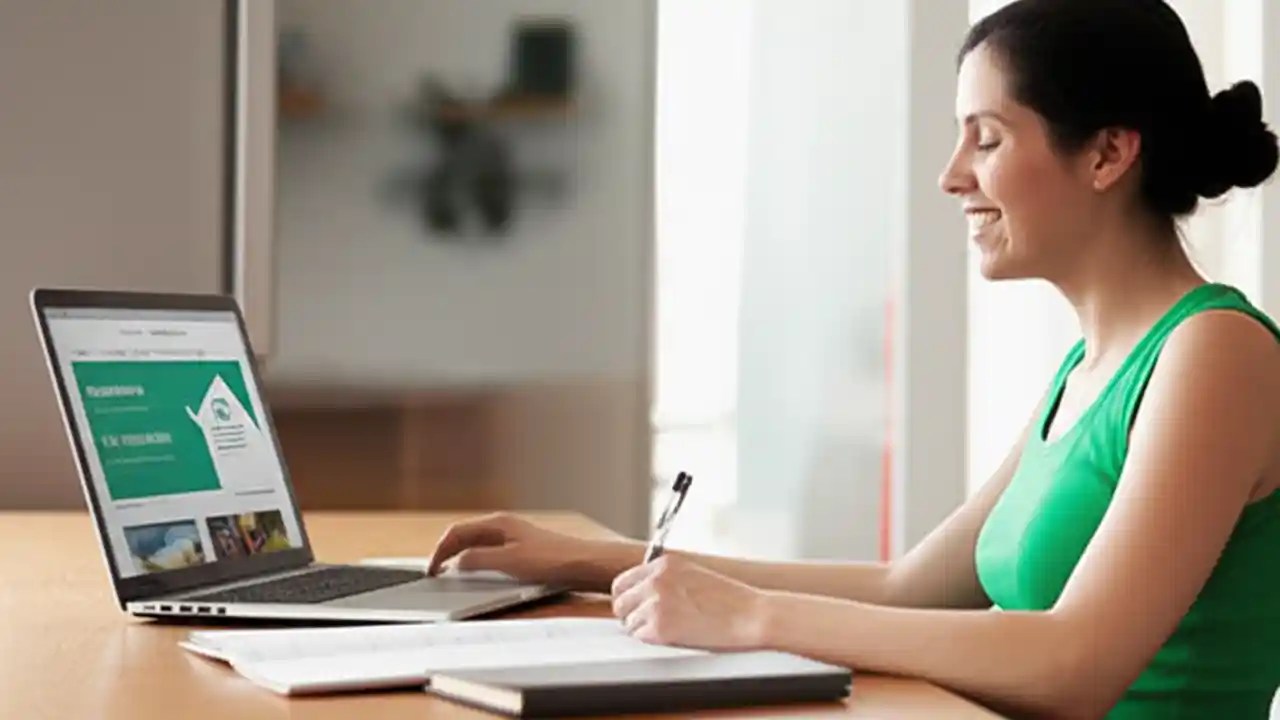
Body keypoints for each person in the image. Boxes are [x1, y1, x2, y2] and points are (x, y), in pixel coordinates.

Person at [427, 1, 1280, 717]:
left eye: (986, 139)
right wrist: (593, 556)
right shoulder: (1093, 366)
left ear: (1106, 153)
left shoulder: (1216, 354)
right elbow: (906, 587)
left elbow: (1074, 662)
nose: (952, 176)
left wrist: (756, 617)